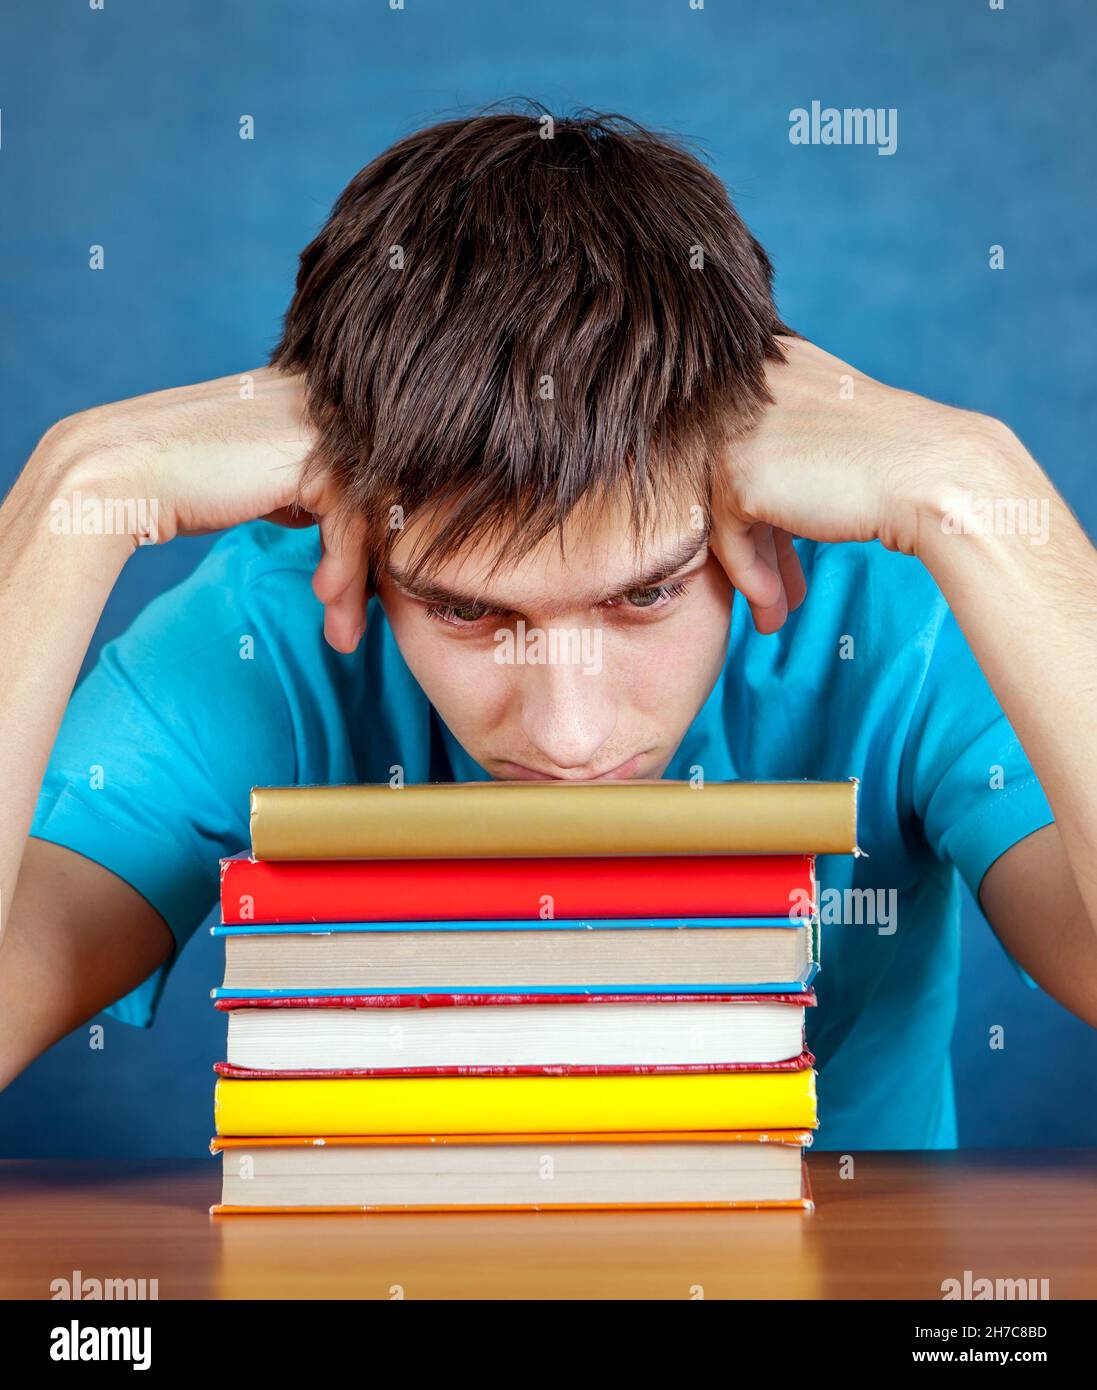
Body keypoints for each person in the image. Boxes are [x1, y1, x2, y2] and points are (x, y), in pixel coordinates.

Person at [1, 110, 1094, 1149]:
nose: (569, 741)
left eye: (646, 594)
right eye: (466, 609)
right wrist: (70, 502)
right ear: (364, 553)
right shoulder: (263, 636)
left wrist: (973, 484)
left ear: (751, 517)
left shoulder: (901, 612)